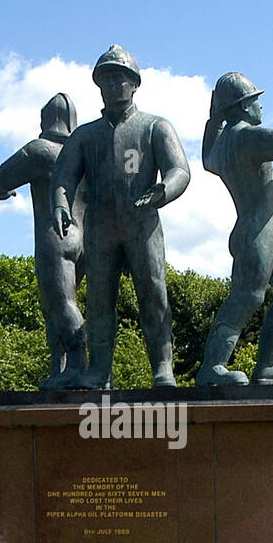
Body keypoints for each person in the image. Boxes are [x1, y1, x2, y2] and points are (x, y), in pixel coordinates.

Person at [50, 45, 190, 389]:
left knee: (154, 294)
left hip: (143, 223)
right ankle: (99, 371)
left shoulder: (155, 126)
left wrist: (164, 190)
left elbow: (180, 170)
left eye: (120, 78)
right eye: (106, 79)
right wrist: (60, 204)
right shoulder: (85, 135)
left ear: (134, 84)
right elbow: (63, 178)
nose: (113, 85)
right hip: (100, 227)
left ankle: (162, 367)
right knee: (99, 301)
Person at [197, 72, 273, 385]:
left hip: (261, 234)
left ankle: (268, 368)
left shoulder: (220, 145)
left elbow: (206, 158)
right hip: (258, 235)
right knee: (247, 297)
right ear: (244, 107)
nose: (261, 107)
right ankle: (212, 369)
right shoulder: (246, 136)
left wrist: (214, 119)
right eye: (255, 101)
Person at [0, 93, 88, 389]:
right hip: (88, 239)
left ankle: (75, 367)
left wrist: (3, 192)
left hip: (55, 236)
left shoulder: (42, 150)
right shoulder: (85, 155)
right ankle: (63, 369)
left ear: (45, 120)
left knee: (59, 303)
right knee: (60, 305)